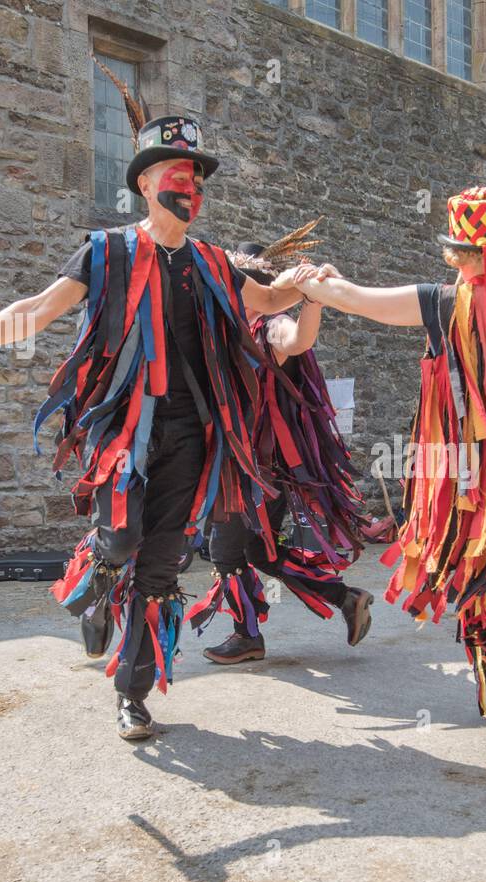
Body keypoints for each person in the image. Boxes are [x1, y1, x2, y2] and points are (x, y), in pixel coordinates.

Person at [0, 102, 307, 740]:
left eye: (199, 180)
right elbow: (37, 311)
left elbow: (267, 302)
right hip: (123, 431)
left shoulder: (214, 262)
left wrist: (311, 286)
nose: (193, 190)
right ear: (145, 184)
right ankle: (99, 574)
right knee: (123, 542)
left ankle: (132, 694)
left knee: (162, 568)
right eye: (180, 177)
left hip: (192, 436)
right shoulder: (104, 254)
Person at [291, 187, 486, 740]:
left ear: (456, 252)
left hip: (463, 477)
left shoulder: (435, 302)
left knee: (473, 563)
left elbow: (360, 299)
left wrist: (316, 284)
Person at [193, 232, 374, 663]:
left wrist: (313, 300)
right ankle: (346, 598)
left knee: (224, 550)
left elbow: (298, 341)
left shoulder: (269, 326)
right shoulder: (226, 330)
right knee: (260, 552)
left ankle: (247, 636)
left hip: (255, 471)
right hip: (238, 465)